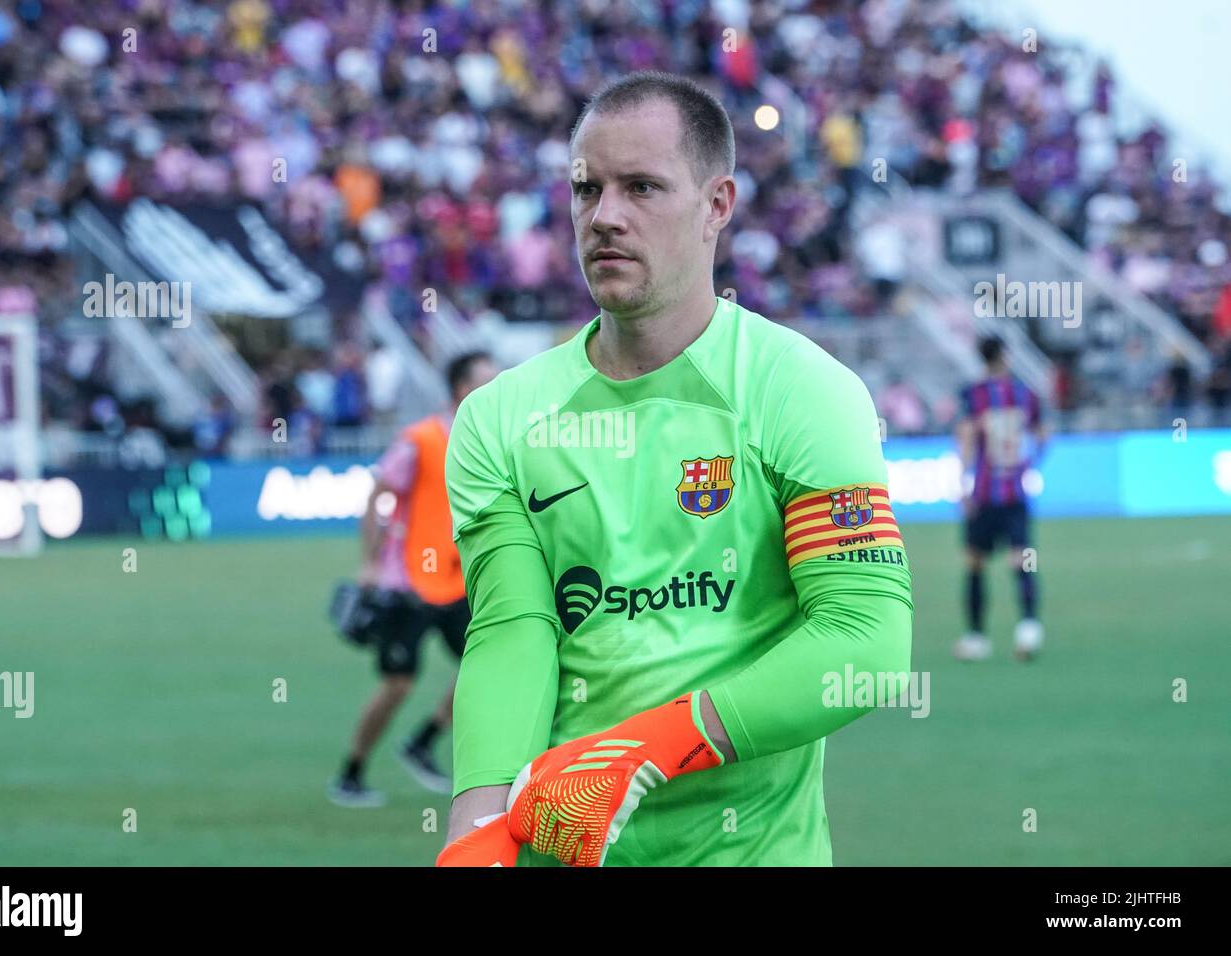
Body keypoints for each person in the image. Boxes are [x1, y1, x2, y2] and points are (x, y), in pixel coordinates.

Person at [439, 71, 912, 867]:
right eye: (586, 190)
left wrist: (653, 744)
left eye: (642, 188)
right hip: (561, 851)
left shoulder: (800, 390)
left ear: (717, 206)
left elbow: (864, 643)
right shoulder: (499, 417)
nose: (605, 217)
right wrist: (476, 831)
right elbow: (514, 634)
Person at [327, 350, 498, 807]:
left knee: (487, 665)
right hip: (409, 584)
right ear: (462, 388)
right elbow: (379, 495)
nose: (497, 385)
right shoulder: (420, 438)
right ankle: (352, 771)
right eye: (488, 378)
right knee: (398, 683)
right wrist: (369, 561)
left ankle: (423, 740)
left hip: (459, 581)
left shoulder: (490, 439)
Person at [953, 337, 1048, 663]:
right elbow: (1043, 435)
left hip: (982, 493)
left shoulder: (974, 395)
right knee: (1021, 559)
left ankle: (977, 638)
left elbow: (966, 438)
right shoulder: (1026, 394)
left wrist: (963, 482)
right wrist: (1029, 464)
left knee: (975, 563)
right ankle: (1029, 628)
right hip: (1015, 491)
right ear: (1005, 357)